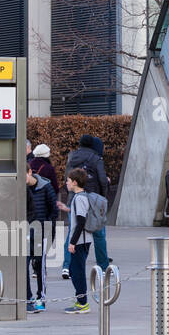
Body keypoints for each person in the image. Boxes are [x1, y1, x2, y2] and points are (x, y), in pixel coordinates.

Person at [65, 134, 110, 272]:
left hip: (74, 198)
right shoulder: (96, 159)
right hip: (92, 200)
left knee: (72, 233)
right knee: (98, 234)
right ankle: (103, 266)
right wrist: (102, 196)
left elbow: (67, 178)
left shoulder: (72, 157)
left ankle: (67, 267)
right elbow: (102, 180)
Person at [25, 164, 57, 313]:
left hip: (41, 232)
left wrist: (47, 231)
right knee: (24, 266)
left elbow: (54, 211)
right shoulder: (21, 189)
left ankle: (41, 298)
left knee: (39, 267)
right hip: (26, 233)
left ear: (30, 172)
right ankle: (28, 298)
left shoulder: (45, 187)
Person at [63, 168, 93, 313]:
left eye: (68, 181)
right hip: (82, 240)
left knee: (77, 272)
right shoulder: (81, 197)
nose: (66, 183)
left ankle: (82, 303)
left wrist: (72, 242)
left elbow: (81, 222)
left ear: (75, 182)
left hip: (80, 241)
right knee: (75, 271)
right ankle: (80, 299)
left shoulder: (80, 198)